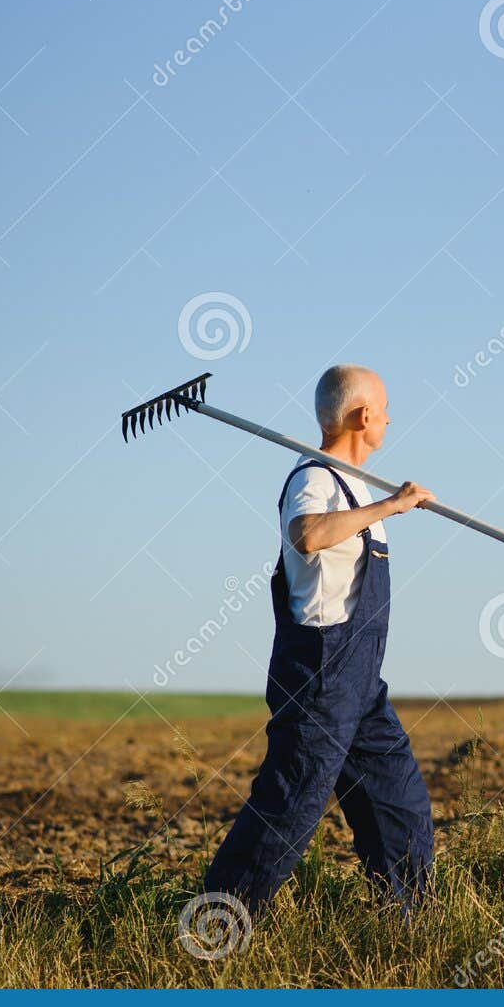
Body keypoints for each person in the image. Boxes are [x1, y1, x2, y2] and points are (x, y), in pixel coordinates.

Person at [204, 364, 435, 911]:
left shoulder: (356, 488)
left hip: (361, 684)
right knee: (289, 807)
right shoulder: (314, 480)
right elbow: (306, 536)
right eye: (384, 409)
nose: (390, 419)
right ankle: (216, 924)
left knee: (397, 804)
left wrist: (380, 505)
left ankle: (410, 921)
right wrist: (390, 506)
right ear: (363, 416)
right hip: (321, 676)